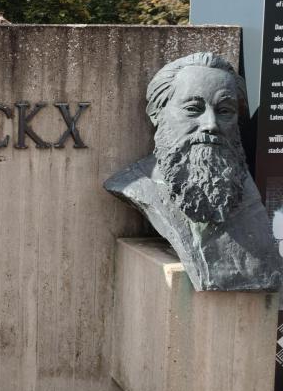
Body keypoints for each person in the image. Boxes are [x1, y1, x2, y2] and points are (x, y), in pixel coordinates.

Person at [105, 52, 283, 291]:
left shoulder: (246, 192)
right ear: (157, 114)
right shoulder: (132, 185)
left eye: (224, 111)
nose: (210, 124)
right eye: (193, 109)